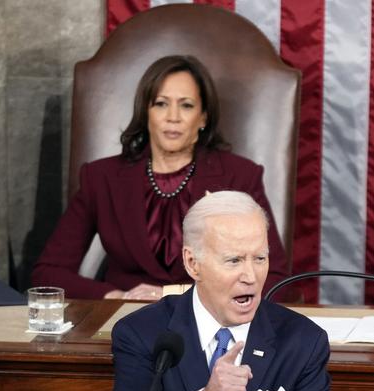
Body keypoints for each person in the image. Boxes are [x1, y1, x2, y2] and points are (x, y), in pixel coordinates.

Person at [105, 190, 339, 391]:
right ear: (193, 263)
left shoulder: (301, 341)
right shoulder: (143, 333)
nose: (251, 276)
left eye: (260, 258)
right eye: (234, 260)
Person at [32, 55, 289, 300]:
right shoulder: (101, 178)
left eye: (186, 105)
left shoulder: (239, 177)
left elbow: (275, 277)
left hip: (210, 318)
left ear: (203, 117)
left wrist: (174, 295)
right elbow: (48, 272)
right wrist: (116, 297)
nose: (173, 117)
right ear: (147, 113)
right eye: (161, 103)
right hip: (128, 319)